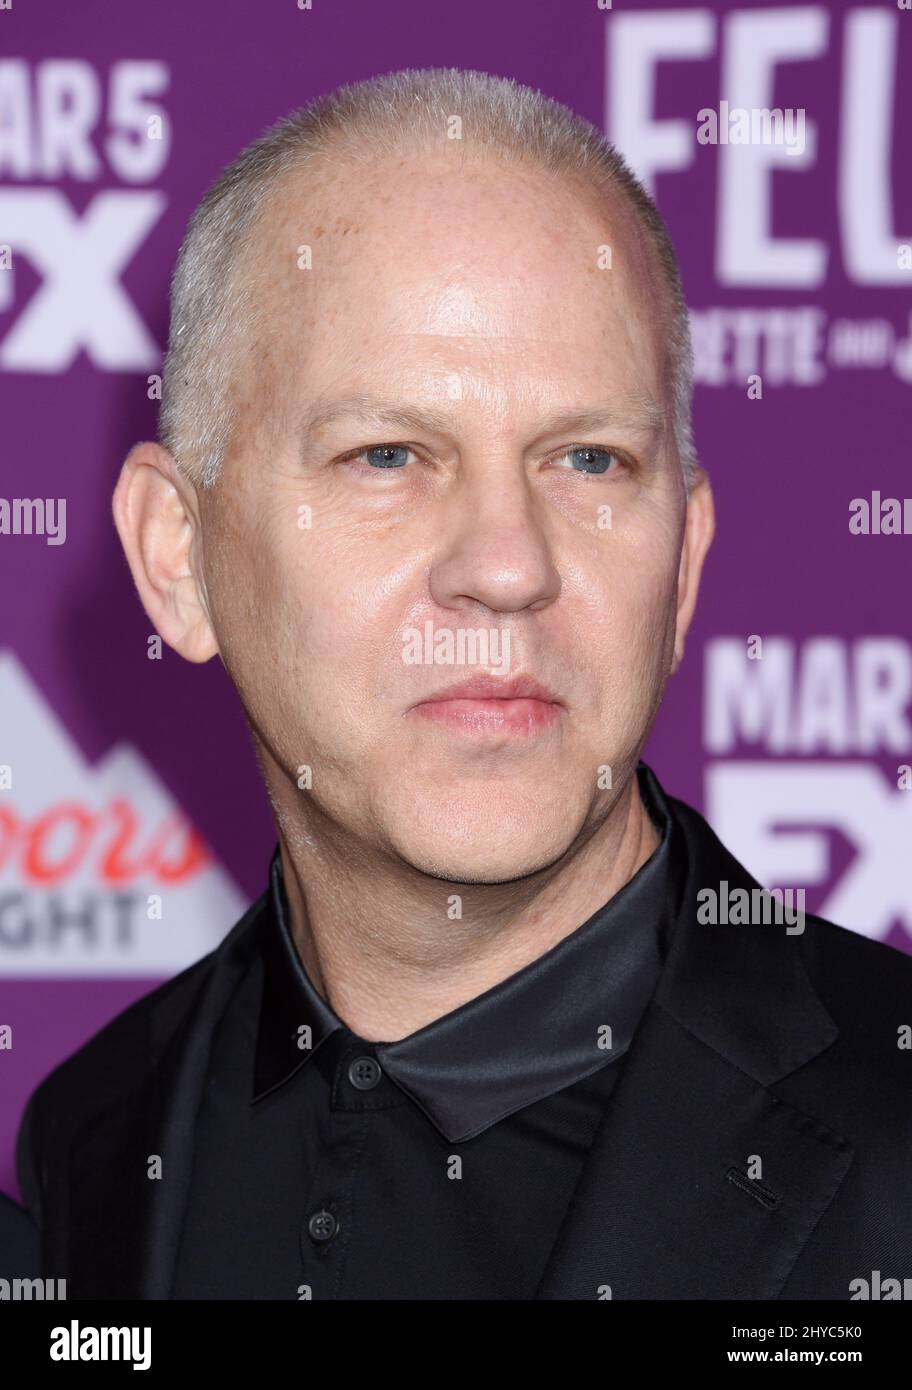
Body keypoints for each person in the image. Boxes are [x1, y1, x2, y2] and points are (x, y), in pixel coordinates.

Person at [16, 67, 912, 1300]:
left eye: (589, 458)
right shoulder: (96, 1141)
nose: (508, 565)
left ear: (686, 561)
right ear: (180, 560)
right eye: (388, 455)